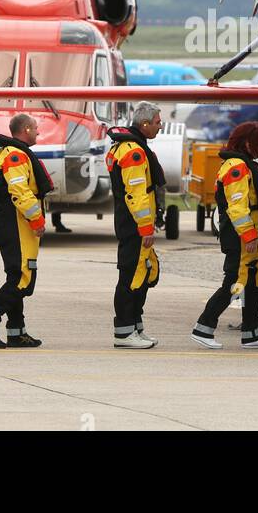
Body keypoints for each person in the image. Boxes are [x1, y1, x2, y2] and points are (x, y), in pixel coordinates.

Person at [190, 121, 258, 350]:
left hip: (252, 238)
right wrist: (248, 236)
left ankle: (251, 333)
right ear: (248, 143)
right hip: (242, 239)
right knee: (234, 283)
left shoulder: (243, 165)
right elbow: (238, 208)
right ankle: (203, 327)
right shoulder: (237, 167)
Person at [0, 112, 53, 349]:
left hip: (17, 223)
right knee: (21, 277)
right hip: (17, 224)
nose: (39, 132)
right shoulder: (15, 156)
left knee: (18, 276)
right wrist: (36, 219)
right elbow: (21, 193)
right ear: (26, 129)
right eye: (36, 128)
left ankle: (17, 332)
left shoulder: (13, 153)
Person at [107, 102, 165, 349]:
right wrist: (145, 228)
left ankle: (135, 327)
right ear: (144, 124)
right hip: (134, 225)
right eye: (157, 123)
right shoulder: (133, 152)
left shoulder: (130, 147)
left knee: (142, 274)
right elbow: (136, 193)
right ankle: (123, 332)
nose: (160, 127)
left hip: (133, 223)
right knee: (130, 276)